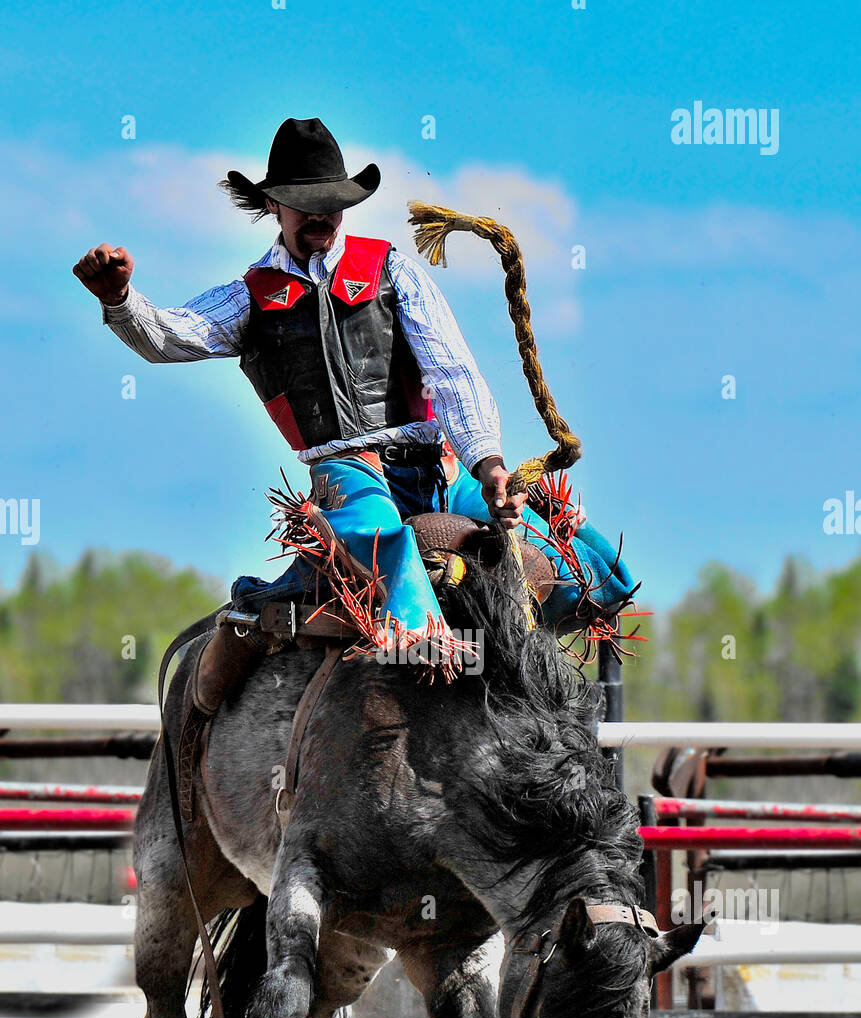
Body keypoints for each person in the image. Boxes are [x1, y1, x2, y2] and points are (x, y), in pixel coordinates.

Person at [73, 116, 632, 673]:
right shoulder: (250, 297)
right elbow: (172, 336)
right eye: (304, 201)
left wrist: (488, 463)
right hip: (347, 471)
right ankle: (418, 635)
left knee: (581, 570)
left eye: (332, 201)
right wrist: (120, 299)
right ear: (274, 205)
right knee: (384, 541)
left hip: (441, 467)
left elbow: (453, 373)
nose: (320, 213)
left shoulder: (394, 270)